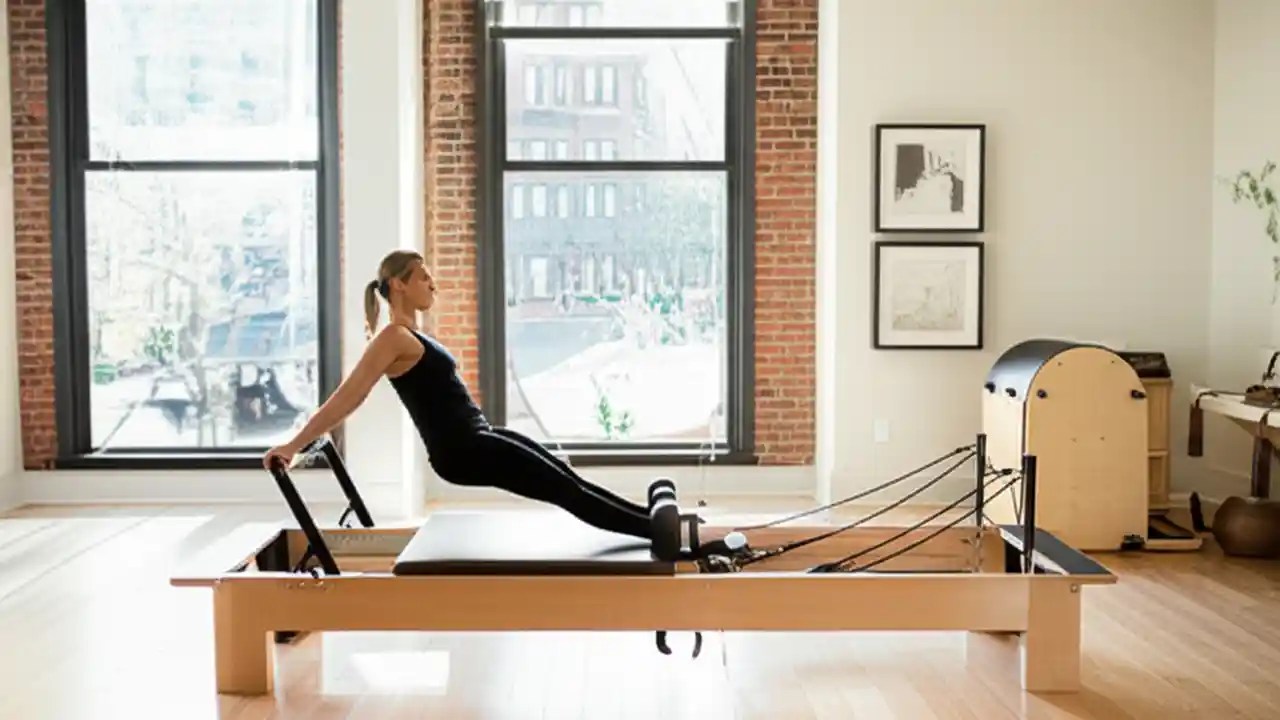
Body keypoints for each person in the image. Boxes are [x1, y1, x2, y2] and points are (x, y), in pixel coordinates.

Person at [262, 250, 655, 540]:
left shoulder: (411, 335)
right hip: (461, 450)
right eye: (422, 277)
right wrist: (295, 445)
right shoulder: (392, 338)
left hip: (477, 436)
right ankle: (656, 532)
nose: (433, 284)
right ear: (399, 285)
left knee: (565, 476)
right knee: (564, 491)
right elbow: (348, 397)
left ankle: (650, 518)